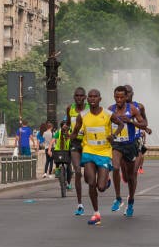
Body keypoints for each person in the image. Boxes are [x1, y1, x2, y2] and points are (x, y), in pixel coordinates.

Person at [71, 89, 123, 226]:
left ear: (100, 99)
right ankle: (96, 214)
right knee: (91, 182)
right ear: (87, 100)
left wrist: (114, 135)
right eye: (90, 97)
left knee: (100, 187)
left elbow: (121, 124)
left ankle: (106, 179)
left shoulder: (108, 114)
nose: (92, 99)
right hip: (88, 151)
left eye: (95, 97)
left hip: (104, 152)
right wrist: (66, 134)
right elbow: (75, 133)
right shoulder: (82, 116)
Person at [108, 85, 148, 217]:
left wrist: (131, 121)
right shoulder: (110, 110)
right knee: (115, 167)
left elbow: (144, 124)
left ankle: (131, 201)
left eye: (121, 97)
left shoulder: (132, 109)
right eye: (116, 97)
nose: (118, 99)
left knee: (130, 177)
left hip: (130, 145)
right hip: (117, 145)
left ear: (126, 97)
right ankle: (118, 198)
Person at [66, 87, 89, 215]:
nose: (79, 98)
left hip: (87, 143)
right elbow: (69, 123)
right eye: (77, 95)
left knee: (88, 176)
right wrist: (66, 127)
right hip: (75, 142)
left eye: (81, 96)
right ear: (74, 97)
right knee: (78, 172)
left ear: (85, 97)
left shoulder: (89, 108)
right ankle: (80, 204)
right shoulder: (70, 108)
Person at [125, 85, 152, 176]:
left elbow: (145, 121)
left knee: (139, 152)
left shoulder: (139, 107)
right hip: (124, 138)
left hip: (137, 135)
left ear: (132, 93)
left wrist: (145, 128)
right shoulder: (117, 107)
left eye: (128, 92)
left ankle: (136, 170)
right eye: (124, 92)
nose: (126, 94)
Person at [49, 120, 73, 190]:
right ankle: (57, 171)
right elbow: (52, 141)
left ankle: (68, 182)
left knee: (69, 170)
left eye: (66, 125)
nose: (65, 127)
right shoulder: (58, 132)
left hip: (66, 151)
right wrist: (49, 150)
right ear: (62, 126)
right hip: (60, 151)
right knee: (58, 161)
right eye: (64, 125)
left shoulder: (70, 131)